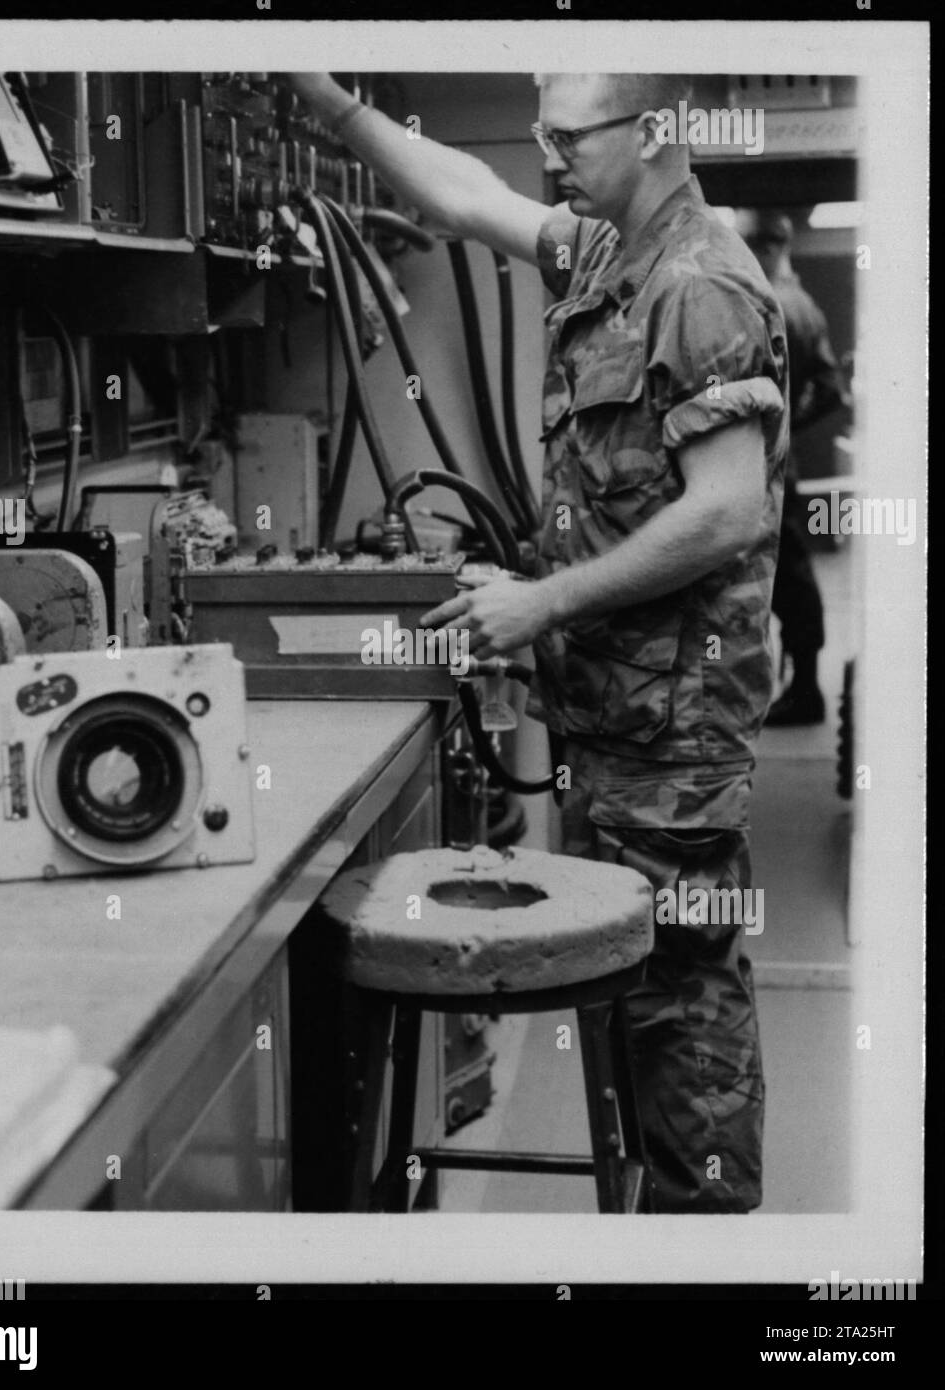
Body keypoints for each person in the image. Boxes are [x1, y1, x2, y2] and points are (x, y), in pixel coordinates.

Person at [289, 71, 789, 1213]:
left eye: (568, 133)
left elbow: (727, 508)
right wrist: (325, 102)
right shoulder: (604, 252)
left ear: (656, 131)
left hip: (675, 729)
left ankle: (703, 1236)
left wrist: (540, 603)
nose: (546, 153)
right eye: (538, 131)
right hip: (613, 711)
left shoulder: (702, 283)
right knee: (639, 984)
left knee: (679, 995)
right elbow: (464, 195)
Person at [737, 209, 850, 726]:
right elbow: (831, 390)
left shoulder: (757, 302)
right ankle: (801, 684)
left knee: (764, 576)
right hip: (783, 463)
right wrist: (791, 425)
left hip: (753, 464)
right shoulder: (804, 306)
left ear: (761, 246)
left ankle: (798, 692)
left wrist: (773, 426)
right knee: (791, 573)